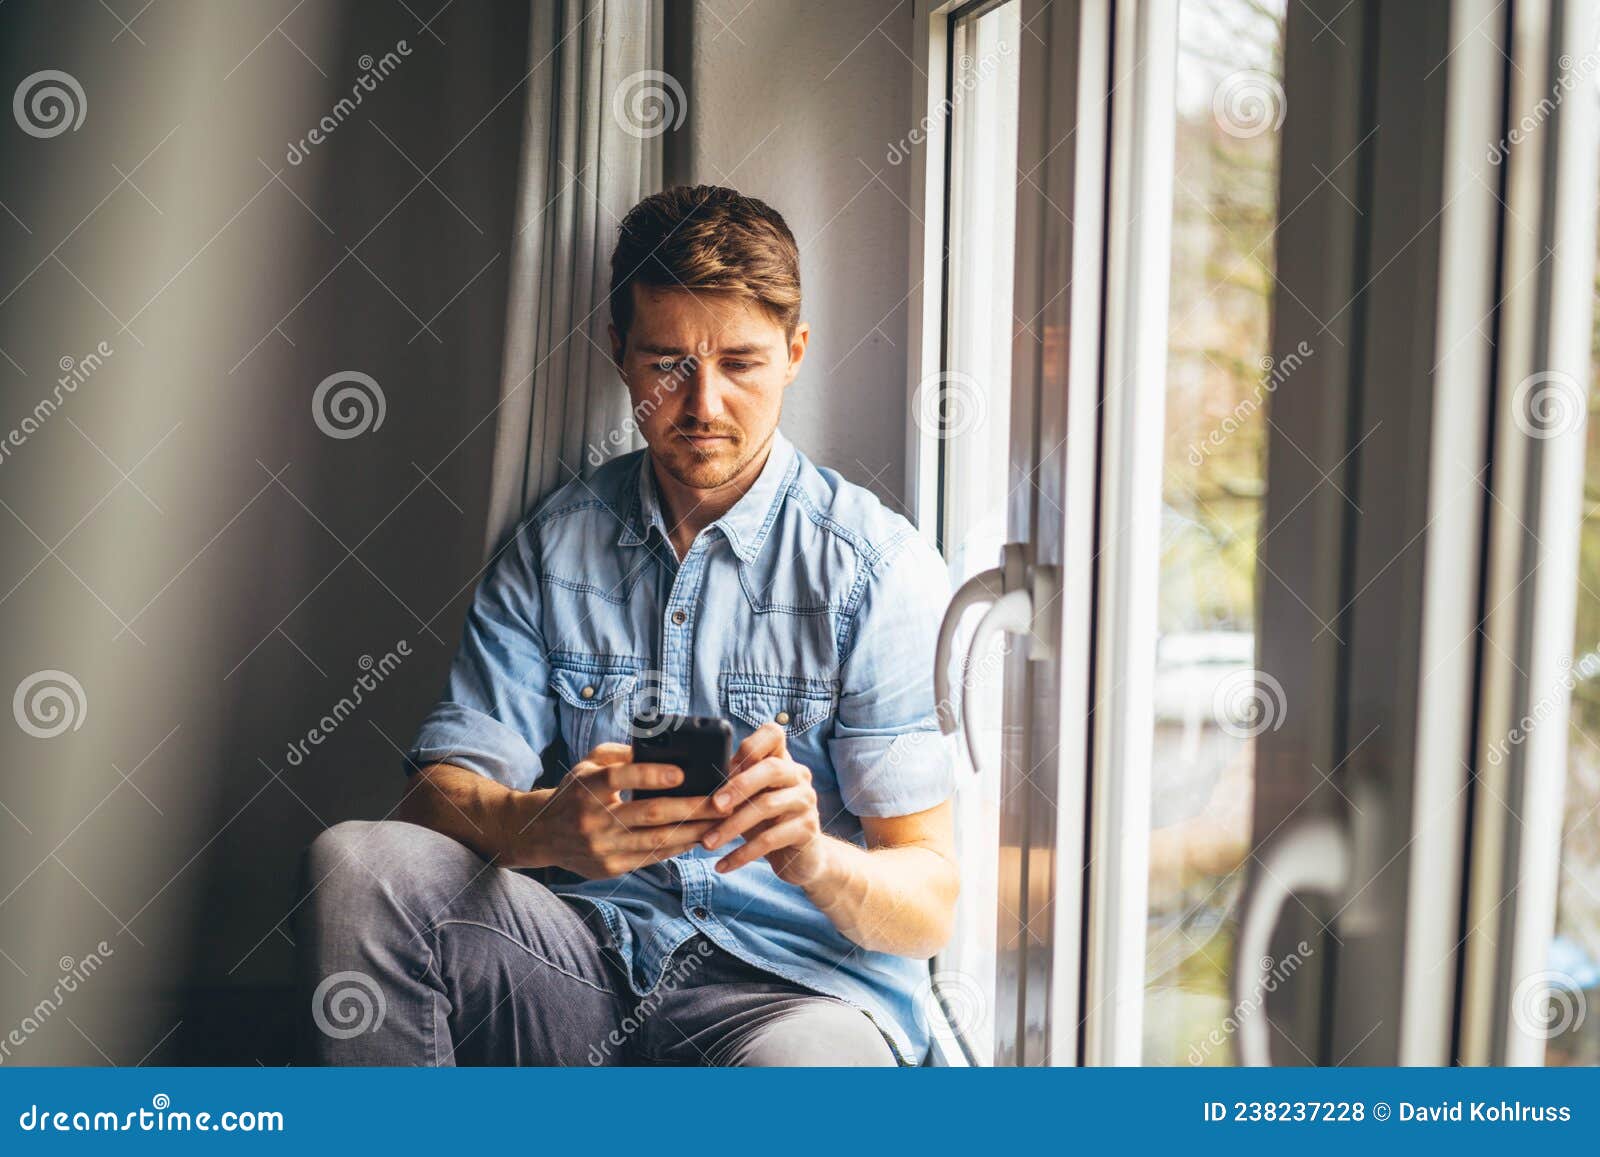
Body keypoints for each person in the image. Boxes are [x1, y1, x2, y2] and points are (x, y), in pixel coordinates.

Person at [296, 185, 958, 1066]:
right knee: (358, 863)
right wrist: (544, 825)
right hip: (583, 963)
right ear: (618, 353)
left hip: (795, 996)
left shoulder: (877, 567)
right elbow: (430, 800)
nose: (703, 405)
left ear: (795, 352)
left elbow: (930, 901)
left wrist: (814, 859)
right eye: (668, 364)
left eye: (742, 362)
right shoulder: (554, 544)